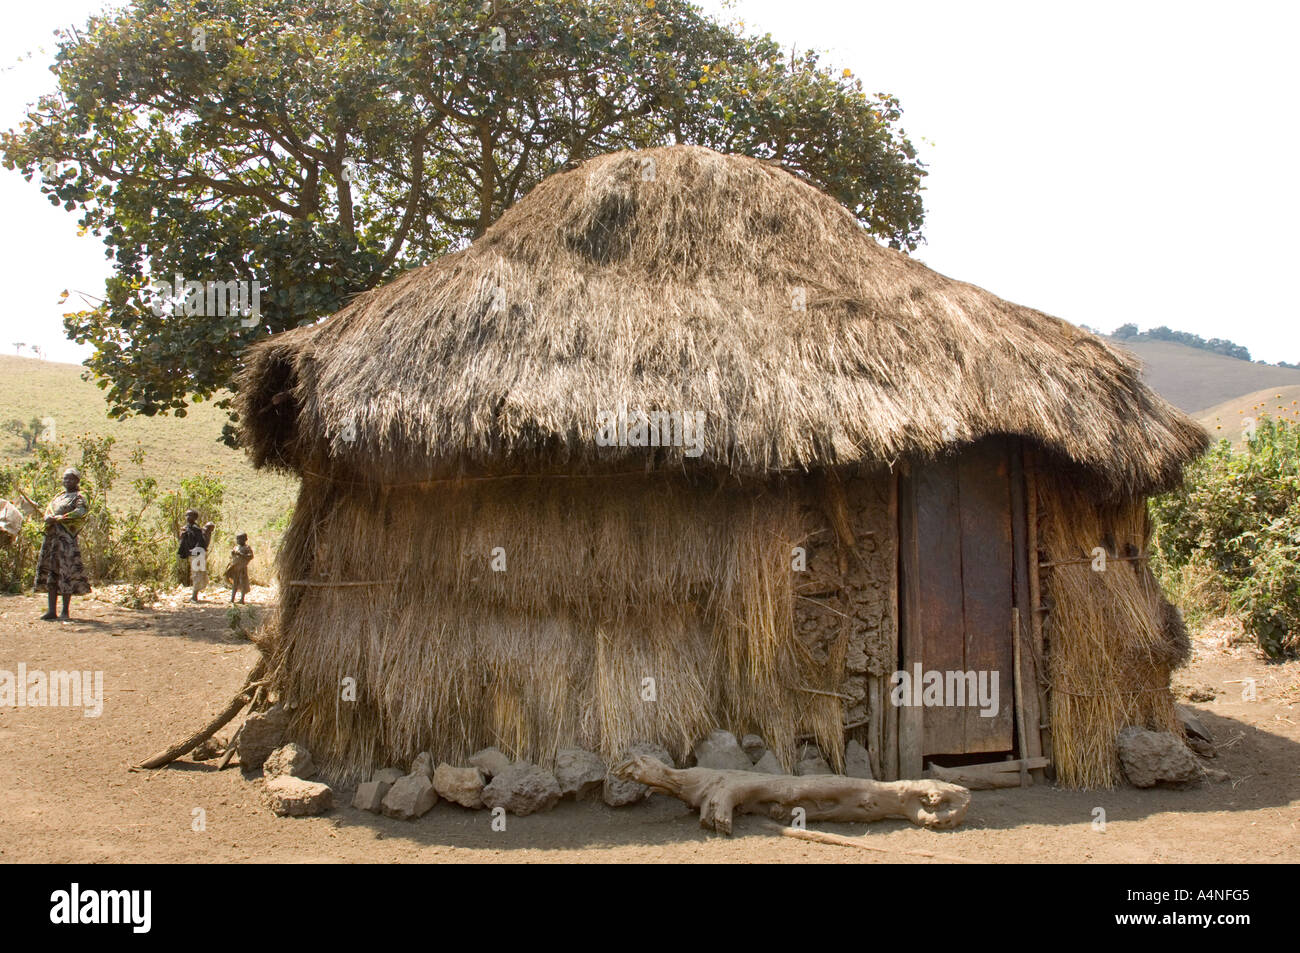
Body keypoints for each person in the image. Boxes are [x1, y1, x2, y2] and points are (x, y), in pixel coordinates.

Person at [34, 468, 91, 620]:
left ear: (77, 481)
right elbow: (48, 511)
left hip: (67, 542)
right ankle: (51, 611)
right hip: (52, 540)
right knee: (52, 573)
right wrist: (48, 518)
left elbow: (81, 513)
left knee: (67, 573)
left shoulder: (80, 497)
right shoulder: (59, 496)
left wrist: (60, 518)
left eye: (71, 479)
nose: (67, 482)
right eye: (65, 479)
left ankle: (65, 611)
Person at [177, 511, 215, 602]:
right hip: (194, 554)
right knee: (195, 573)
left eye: (189, 515)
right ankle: (194, 595)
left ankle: (194, 596)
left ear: (194, 517)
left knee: (197, 574)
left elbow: (200, 542)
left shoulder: (196, 529)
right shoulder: (187, 528)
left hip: (198, 554)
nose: (187, 517)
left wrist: (193, 551)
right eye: (186, 515)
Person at [224, 533, 254, 604]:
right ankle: (232, 599)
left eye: (240, 539)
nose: (238, 540)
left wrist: (241, 554)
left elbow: (251, 556)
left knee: (243, 583)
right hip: (235, 568)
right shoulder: (236, 547)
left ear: (245, 539)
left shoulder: (247, 548)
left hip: (242, 568)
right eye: (237, 539)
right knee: (235, 583)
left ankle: (242, 599)